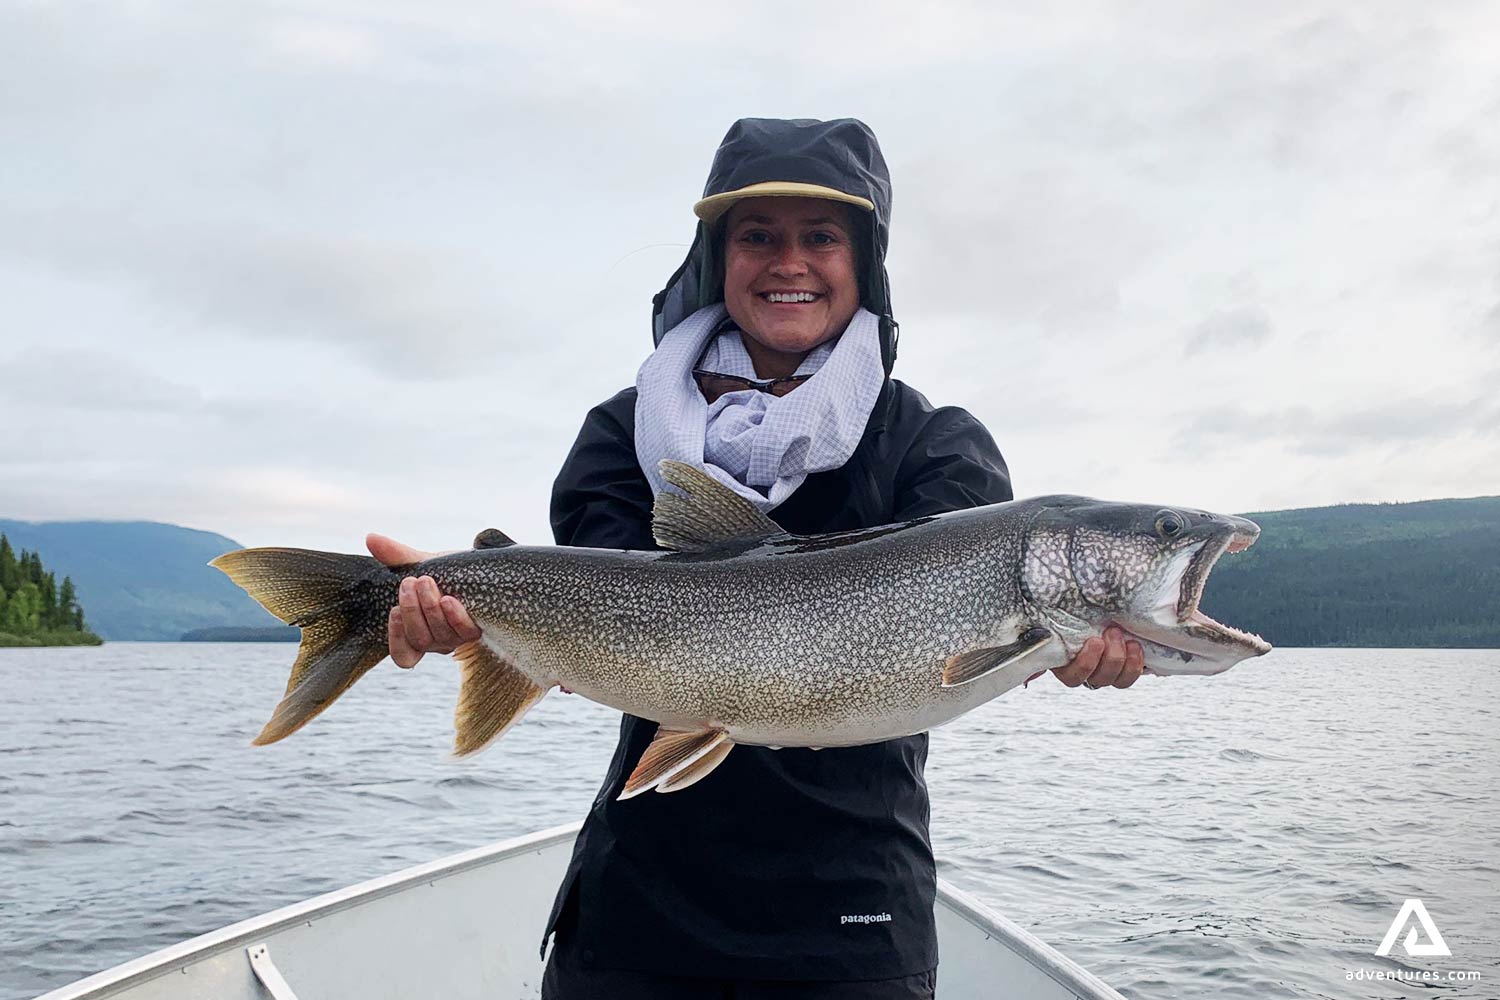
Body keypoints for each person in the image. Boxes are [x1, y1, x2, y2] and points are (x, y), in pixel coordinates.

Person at [368, 117, 1144, 1000]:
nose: (790, 262)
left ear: (866, 262)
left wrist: (1066, 649)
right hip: (640, 907)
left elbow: (975, 640)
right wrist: (462, 621)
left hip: (853, 920)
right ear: (717, 255)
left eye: (821, 236)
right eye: (758, 236)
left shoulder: (936, 447)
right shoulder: (622, 433)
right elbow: (592, 623)